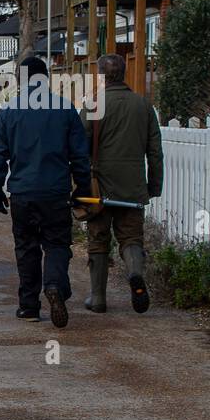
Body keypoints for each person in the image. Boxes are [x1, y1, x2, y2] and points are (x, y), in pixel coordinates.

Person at [0, 55, 91, 328]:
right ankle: (55, 285)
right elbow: (80, 156)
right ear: (45, 79)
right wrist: (83, 188)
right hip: (55, 191)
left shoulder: (9, 111)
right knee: (57, 244)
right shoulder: (65, 110)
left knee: (26, 248)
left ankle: (29, 306)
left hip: (23, 192)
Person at [80, 53, 164, 314]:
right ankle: (135, 275)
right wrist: (154, 186)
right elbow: (155, 152)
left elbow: (79, 148)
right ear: (125, 73)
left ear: (102, 76)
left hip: (99, 187)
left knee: (98, 239)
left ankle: (98, 298)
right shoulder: (143, 105)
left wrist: (77, 185)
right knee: (131, 238)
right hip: (133, 185)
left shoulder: (93, 104)